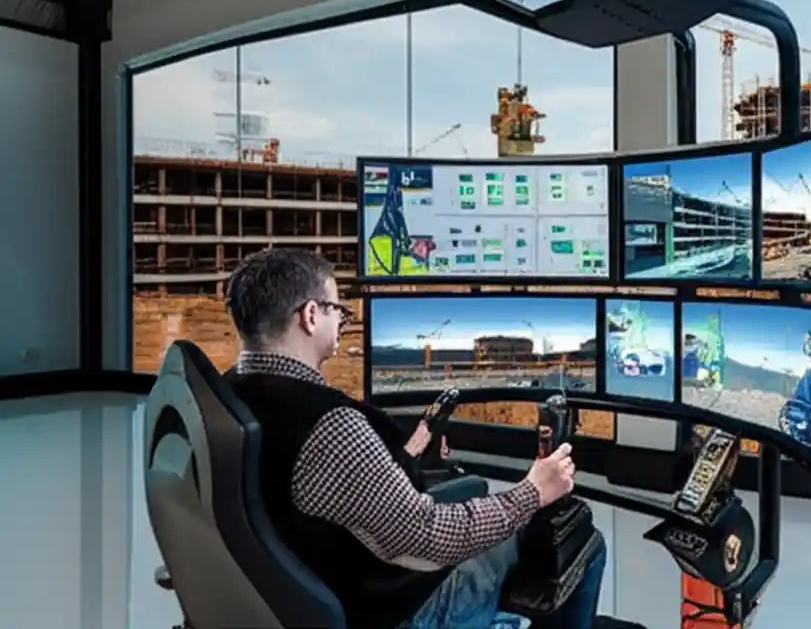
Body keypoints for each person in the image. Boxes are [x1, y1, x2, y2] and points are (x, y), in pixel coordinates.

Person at [222, 247, 606, 629]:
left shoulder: (225, 397)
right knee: (580, 542)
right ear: (310, 316)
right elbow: (425, 538)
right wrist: (533, 492)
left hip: (293, 599)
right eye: (337, 309)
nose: (341, 319)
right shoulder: (329, 425)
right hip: (388, 610)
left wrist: (402, 455)